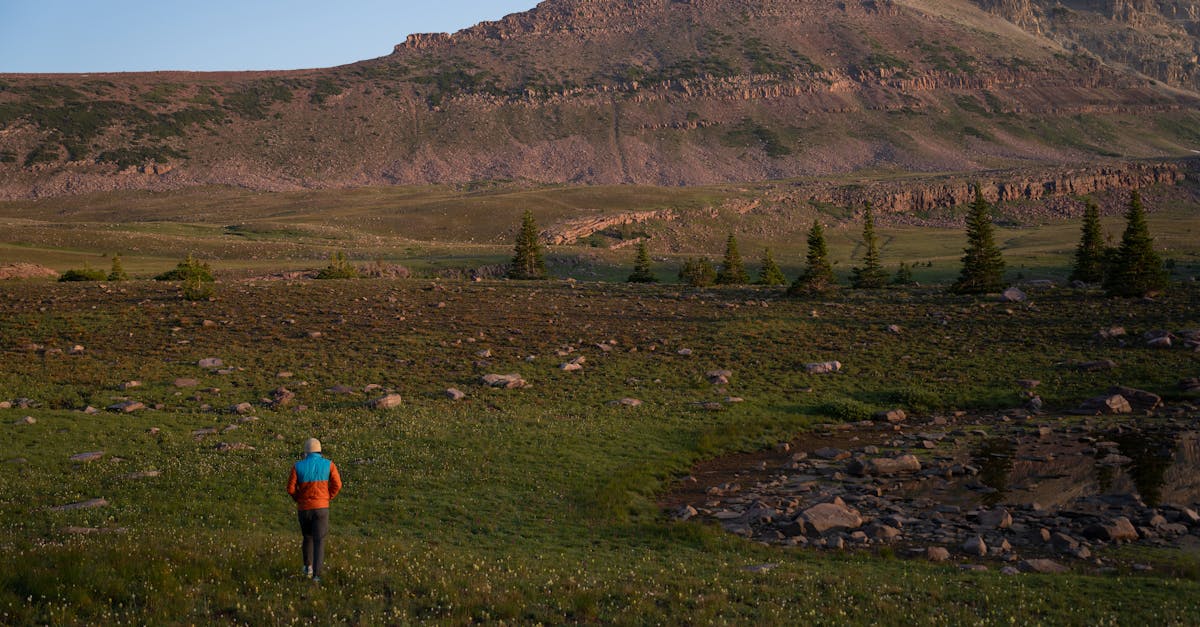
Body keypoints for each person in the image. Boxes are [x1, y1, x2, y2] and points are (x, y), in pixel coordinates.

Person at [286, 438, 342, 582]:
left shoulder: (297, 466)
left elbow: (290, 488)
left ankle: (307, 567)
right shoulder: (329, 465)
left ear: (306, 452)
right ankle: (317, 576)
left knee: (307, 537)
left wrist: (298, 498)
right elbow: (338, 484)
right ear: (320, 451)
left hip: (304, 509)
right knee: (319, 541)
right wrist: (328, 497)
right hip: (321, 507)